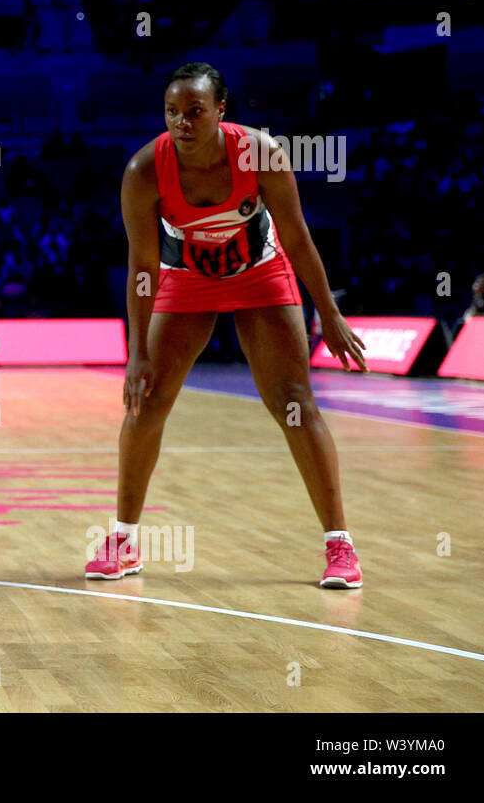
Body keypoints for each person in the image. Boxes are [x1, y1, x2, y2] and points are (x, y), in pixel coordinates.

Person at [92, 62, 368, 589]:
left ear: (221, 110)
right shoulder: (143, 170)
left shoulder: (261, 153)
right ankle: (123, 540)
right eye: (172, 112)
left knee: (294, 404)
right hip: (186, 278)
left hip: (261, 274)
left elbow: (298, 238)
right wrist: (137, 353)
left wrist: (328, 313)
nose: (182, 122)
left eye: (194, 111)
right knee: (145, 403)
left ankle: (340, 545)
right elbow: (143, 268)